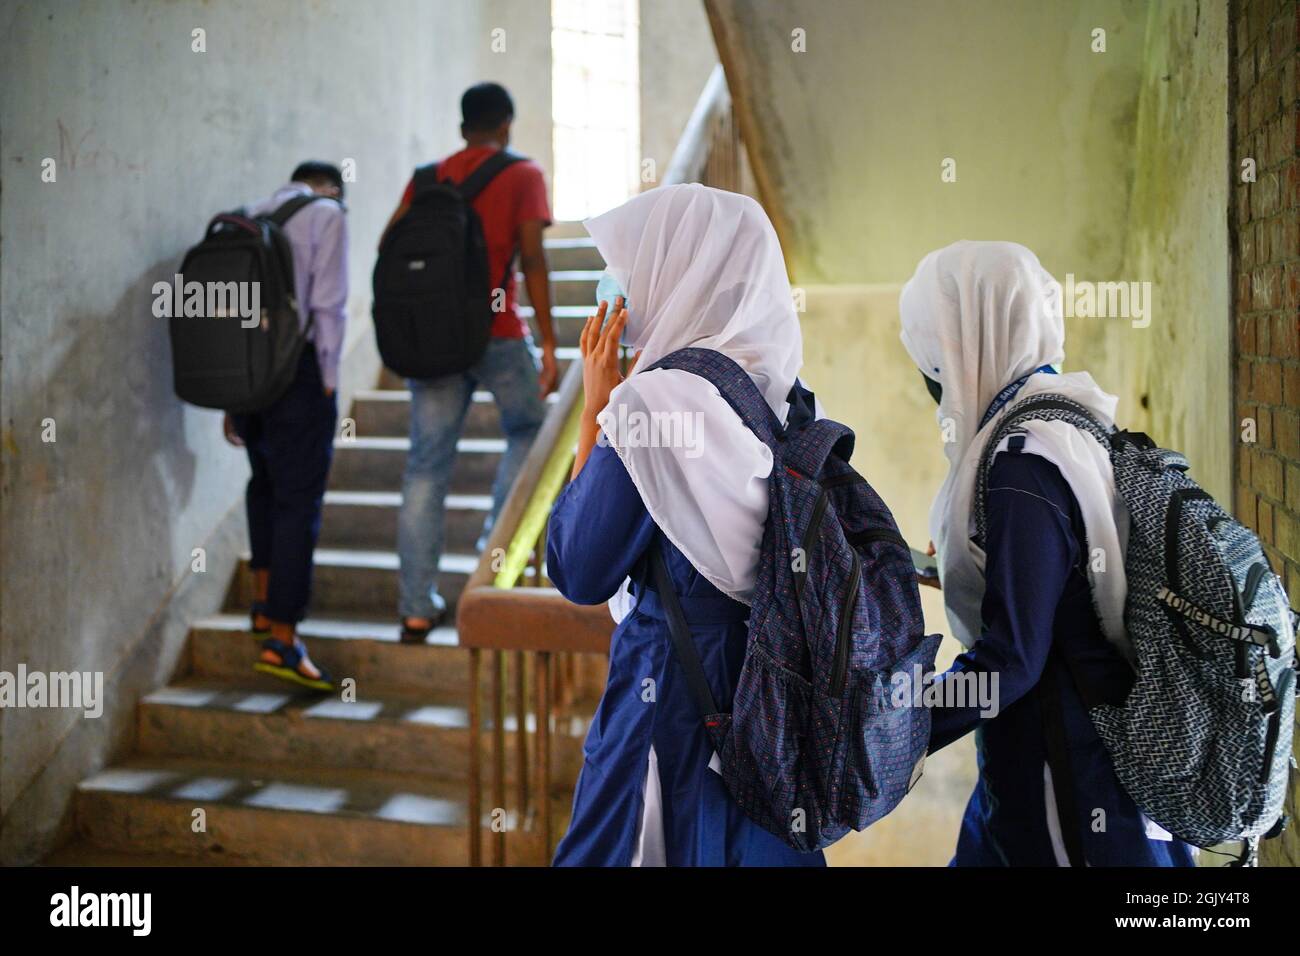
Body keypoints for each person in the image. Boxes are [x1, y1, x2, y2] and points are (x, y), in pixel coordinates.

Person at [546, 184, 824, 867]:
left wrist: (597, 409)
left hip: (667, 696)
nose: (619, 285)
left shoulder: (656, 401)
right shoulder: (783, 399)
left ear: (681, 272)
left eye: (634, 265)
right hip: (766, 706)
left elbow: (580, 567)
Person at [899, 240, 1195, 866]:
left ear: (966, 342)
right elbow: (1059, 582)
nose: (932, 378)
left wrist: (899, 720)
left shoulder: (1021, 467)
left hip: (1064, 772)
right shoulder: (1074, 425)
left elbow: (1012, 661)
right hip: (1068, 750)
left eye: (932, 355)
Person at [386, 82, 557, 643]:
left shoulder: (427, 178)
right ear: (506, 125)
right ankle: (493, 564)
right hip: (497, 330)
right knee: (529, 430)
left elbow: (391, 250)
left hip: (432, 342)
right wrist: (551, 344)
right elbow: (532, 258)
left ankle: (415, 607)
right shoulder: (522, 174)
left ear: (463, 129)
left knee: (426, 466)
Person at [223, 161, 348, 691]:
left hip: (247, 374)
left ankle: (261, 602)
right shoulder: (327, 215)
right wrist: (328, 377)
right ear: (328, 189)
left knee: (264, 486)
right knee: (300, 502)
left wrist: (232, 396)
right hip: (297, 372)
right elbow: (329, 306)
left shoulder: (249, 215)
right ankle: (283, 639)